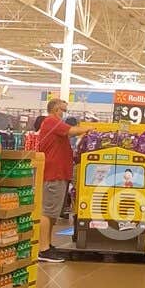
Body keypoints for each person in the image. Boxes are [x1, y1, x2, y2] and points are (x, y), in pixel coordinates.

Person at [33, 99, 93, 253]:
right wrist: (88, 129)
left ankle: (48, 244)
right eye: (63, 110)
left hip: (59, 175)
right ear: (55, 109)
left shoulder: (53, 123)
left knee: (52, 213)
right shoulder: (51, 121)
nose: (64, 113)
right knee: (47, 212)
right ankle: (43, 249)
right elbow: (71, 131)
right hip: (53, 174)